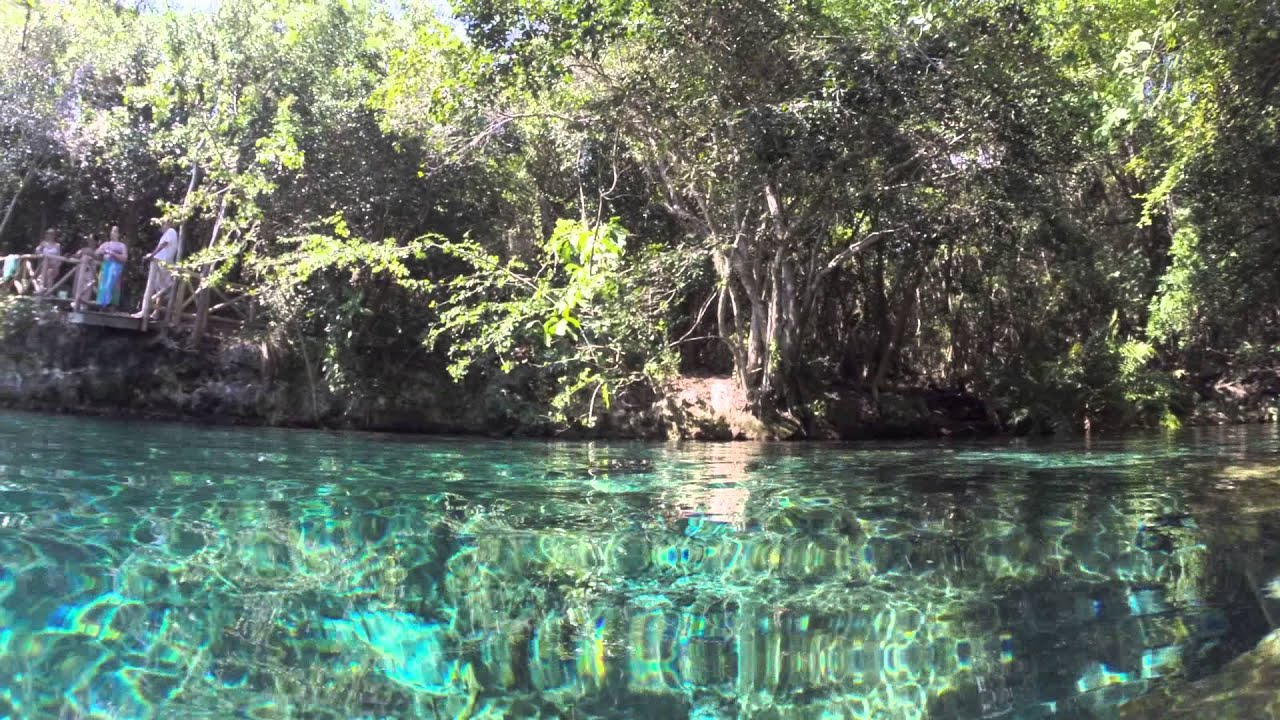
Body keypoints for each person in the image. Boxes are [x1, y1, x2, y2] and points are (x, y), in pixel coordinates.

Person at [94, 226, 128, 309]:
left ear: (118, 234)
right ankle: (102, 305)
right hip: (105, 266)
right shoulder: (106, 244)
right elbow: (96, 253)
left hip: (116, 267)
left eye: (115, 231)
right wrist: (102, 251)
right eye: (112, 231)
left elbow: (124, 258)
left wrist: (113, 254)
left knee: (113, 285)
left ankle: (111, 305)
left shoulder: (122, 245)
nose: (112, 233)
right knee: (102, 284)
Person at [34, 228, 61, 295]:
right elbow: (36, 251)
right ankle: (49, 293)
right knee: (49, 271)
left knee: (49, 265)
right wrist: (41, 253)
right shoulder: (43, 243)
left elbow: (59, 258)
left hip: (54, 266)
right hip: (44, 266)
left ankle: (41, 284)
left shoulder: (57, 245)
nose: (50, 235)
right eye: (48, 233)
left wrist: (57, 265)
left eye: (52, 234)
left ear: (54, 235)